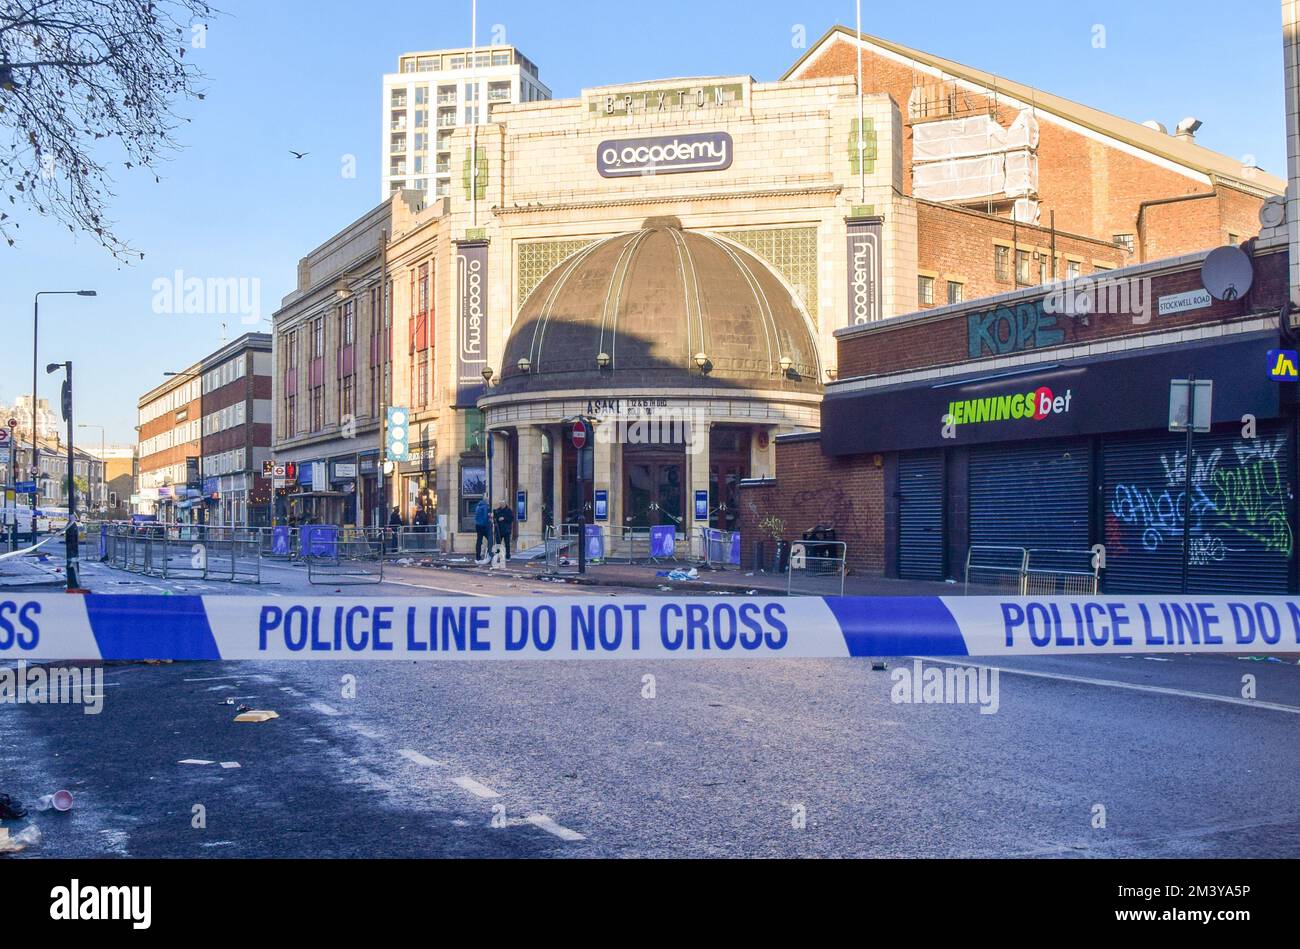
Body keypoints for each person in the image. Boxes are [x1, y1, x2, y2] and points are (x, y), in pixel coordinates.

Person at [473, 497, 492, 561]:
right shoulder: (485, 507)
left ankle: (478, 556)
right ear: (486, 501)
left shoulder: (478, 506)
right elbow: (485, 517)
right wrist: (488, 521)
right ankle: (490, 554)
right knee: (490, 539)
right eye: (488, 501)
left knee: (479, 541)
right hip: (484, 526)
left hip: (477, 525)